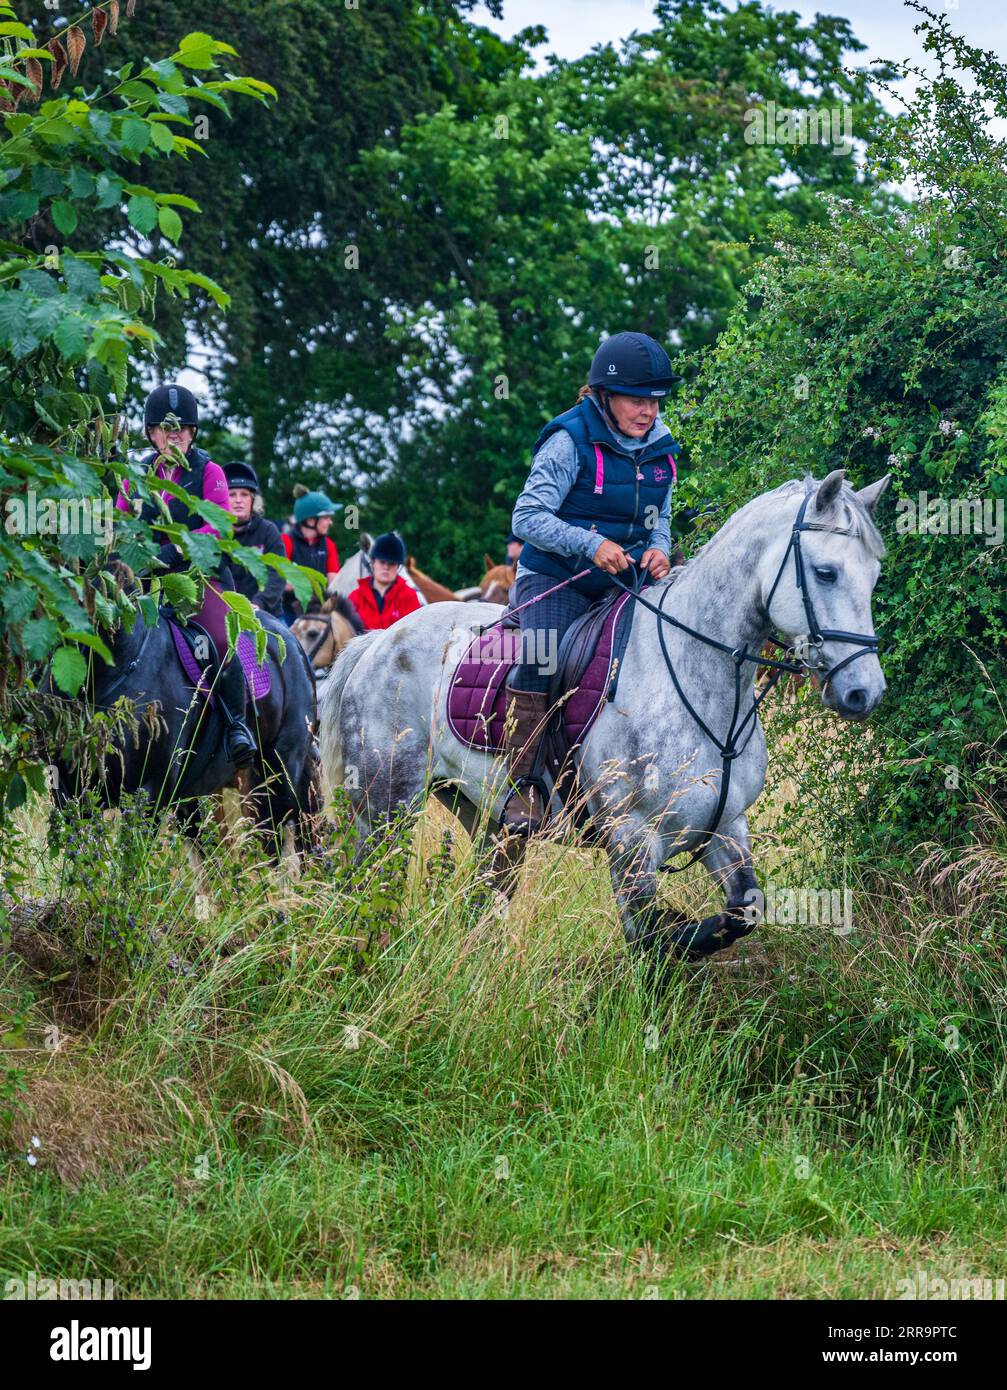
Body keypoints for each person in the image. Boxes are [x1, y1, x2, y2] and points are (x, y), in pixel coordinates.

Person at [504, 331, 681, 833]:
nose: (648, 411)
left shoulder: (661, 444)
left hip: (621, 579)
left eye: (654, 400)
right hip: (555, 577)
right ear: (603, 395)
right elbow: (526, 518)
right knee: (542, 656)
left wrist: (659, 549)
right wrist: (589, 544)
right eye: (636, 400)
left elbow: (660, 516)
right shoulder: (568, 441)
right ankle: (525, 788)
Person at [115, 384, 256, 768]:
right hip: (142, 579)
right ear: (151, 433)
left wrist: (174, 551)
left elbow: (220, 527)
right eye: (165, 427)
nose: (173, 434)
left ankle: (236, 726)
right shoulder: (137, 475)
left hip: (199, 578)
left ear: (192, 432)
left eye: (180, 428)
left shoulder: (209, 472)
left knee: (220, 638)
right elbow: (122, 522)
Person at [223, 461, 285, 617]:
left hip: (265, 612)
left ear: (253, 500)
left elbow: (277, 574)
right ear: (223, 499)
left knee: (291, 641)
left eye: (244, 494)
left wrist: (259, 603)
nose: (238, 500)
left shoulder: (268, 531)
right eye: (232, 495)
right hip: (224, 611)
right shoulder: (214, 533)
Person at [280, 491, 341, 623]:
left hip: (318, 611)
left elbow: (334, 584)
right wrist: (313, 583)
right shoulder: (286, 541)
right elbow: (281, 582)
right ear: (310, 520)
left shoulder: (329, 545)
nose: (330, 522)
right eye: (326, 518)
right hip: (288, 612)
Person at [348, 532, 422, 631]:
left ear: (398, 567)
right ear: (373, 562)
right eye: (382, 562)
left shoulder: (409, 597)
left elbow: (413, 634)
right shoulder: (355, 598)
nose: (386, 567)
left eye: (391, 563)